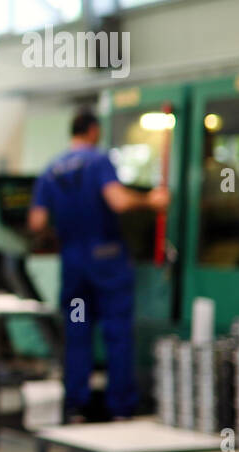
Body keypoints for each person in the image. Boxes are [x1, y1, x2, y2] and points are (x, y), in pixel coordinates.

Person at [28, 110, 168, 422]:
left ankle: (76, 406)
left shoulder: (51, 170)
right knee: (116, 333)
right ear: (93, 131)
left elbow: (36, 221)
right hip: (107, 261)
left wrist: (58, 232)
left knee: (77, 332)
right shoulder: (99, 161)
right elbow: (117, 201)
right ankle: (120, 408)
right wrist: (152, 201)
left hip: (73, 265)